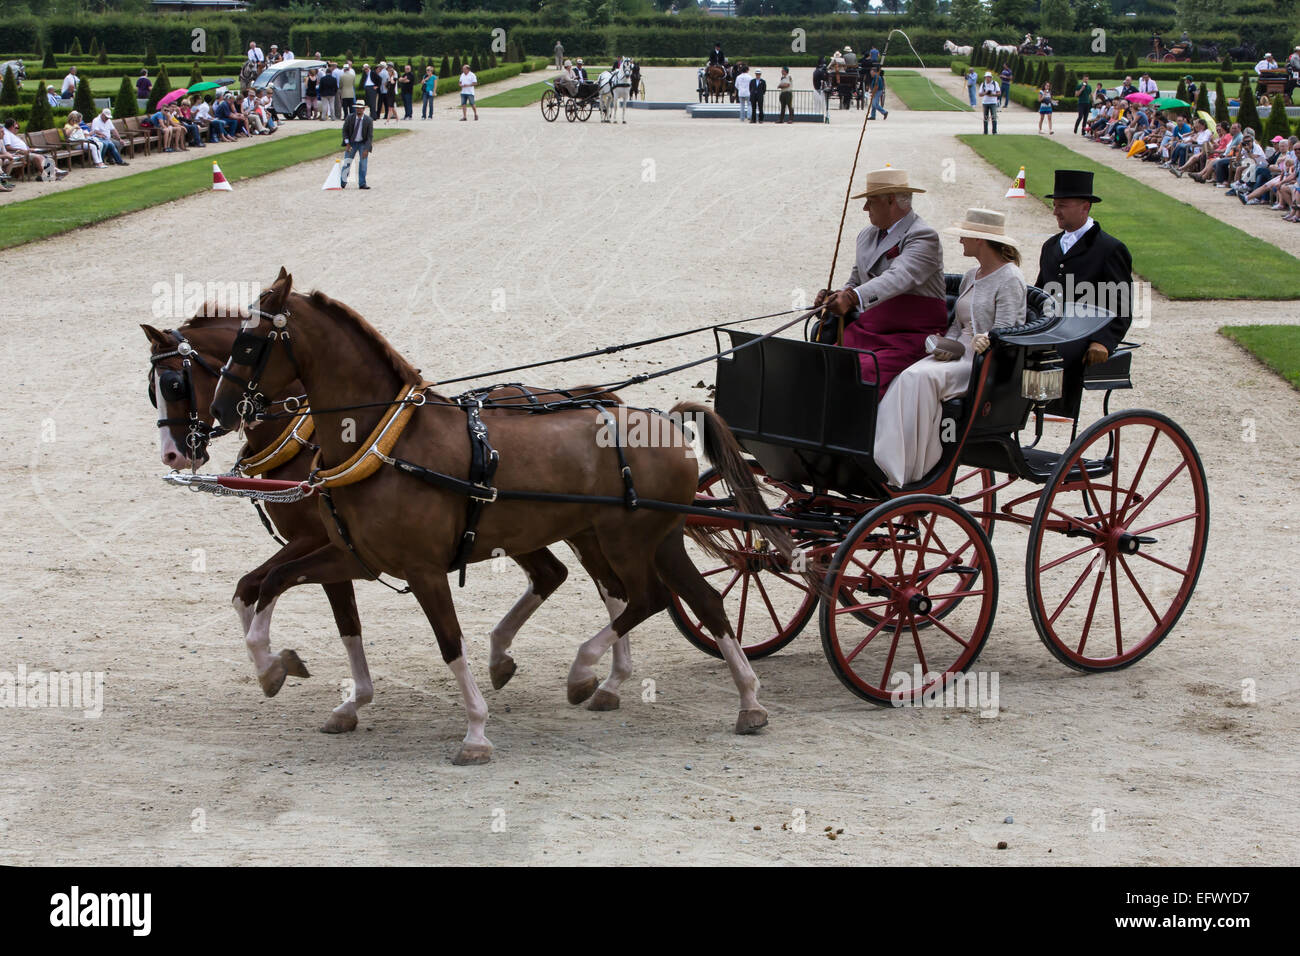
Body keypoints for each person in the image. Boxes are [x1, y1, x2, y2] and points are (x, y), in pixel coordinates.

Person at [874, 208, 1027, 486]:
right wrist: (944, 347)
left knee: (918, 378)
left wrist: (988, 340)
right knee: (907, 375)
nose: (960, 241)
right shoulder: (972, 275)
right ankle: (889, 458)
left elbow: (1009, 329)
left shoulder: (1010, 278)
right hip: (958, 354)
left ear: (979, 240)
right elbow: (957, 325)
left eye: (964, 236)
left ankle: (913, 467)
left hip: (982, 362)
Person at [813, 167, 946, 393]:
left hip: (910, 335)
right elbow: (856, 279)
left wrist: (852, 297)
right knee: (824, 364)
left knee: (860, 374)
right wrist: (835, 297)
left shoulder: (923, 236)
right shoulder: (867, 235)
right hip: (870, 330)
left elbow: (898, 277)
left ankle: (858, 426)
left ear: (891, 201)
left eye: (871, 201)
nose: (865, 208)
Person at [1035, 169, 1133, 383]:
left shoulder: (1110, 248)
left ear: (1085, 207)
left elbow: (1122, 306)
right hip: (1050, 332)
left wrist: (1103, 341)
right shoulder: (1051, 246)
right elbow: (1040, 294)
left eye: (1062, 205)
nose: (1055, 212)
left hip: (1082, 336)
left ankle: (1058, 415)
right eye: (1055, 205)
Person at [340, 101, 372, 189]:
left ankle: (362, 183)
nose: (358, 109)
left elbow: (369, 136)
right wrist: (347, 143)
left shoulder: (368, 120)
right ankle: (342, 182)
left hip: (362, 143)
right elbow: (345, 131)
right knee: (347, 162)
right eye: (357, 108)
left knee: (363, 164)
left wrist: (366, 149)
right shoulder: (350, 117)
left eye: (360, 108)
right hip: (351, 142)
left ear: (364, 109)